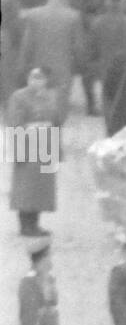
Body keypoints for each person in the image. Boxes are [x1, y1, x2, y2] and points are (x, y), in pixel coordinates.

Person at [17, 0, 85, 124]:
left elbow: (26, 45)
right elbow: (78, 47)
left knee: (38, 106)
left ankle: (39, 142)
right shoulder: (73, 16)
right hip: (63, 69)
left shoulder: (33, 15)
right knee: (59, 107)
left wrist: (22, 67)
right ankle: (54, 141)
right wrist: (81, 65)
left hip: (39, 68)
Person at [6, 67, 61, 236]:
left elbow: (56, 119)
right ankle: (25, 224)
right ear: (28, 79)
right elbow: (15, 121)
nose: (37, 81)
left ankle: (35, 223)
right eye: (34, 77)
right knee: (26, 187)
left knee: (41, 189)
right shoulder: (19, 96)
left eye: (41, 78)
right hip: (27, 145)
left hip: (46, 145)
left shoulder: (49, 96)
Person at [17, 234, 62, 325]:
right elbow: (29, 319)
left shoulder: (48, 279)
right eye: (49, 256)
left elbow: (53, 304)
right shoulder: (28, 283)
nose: (51, 260)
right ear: (41, 259)